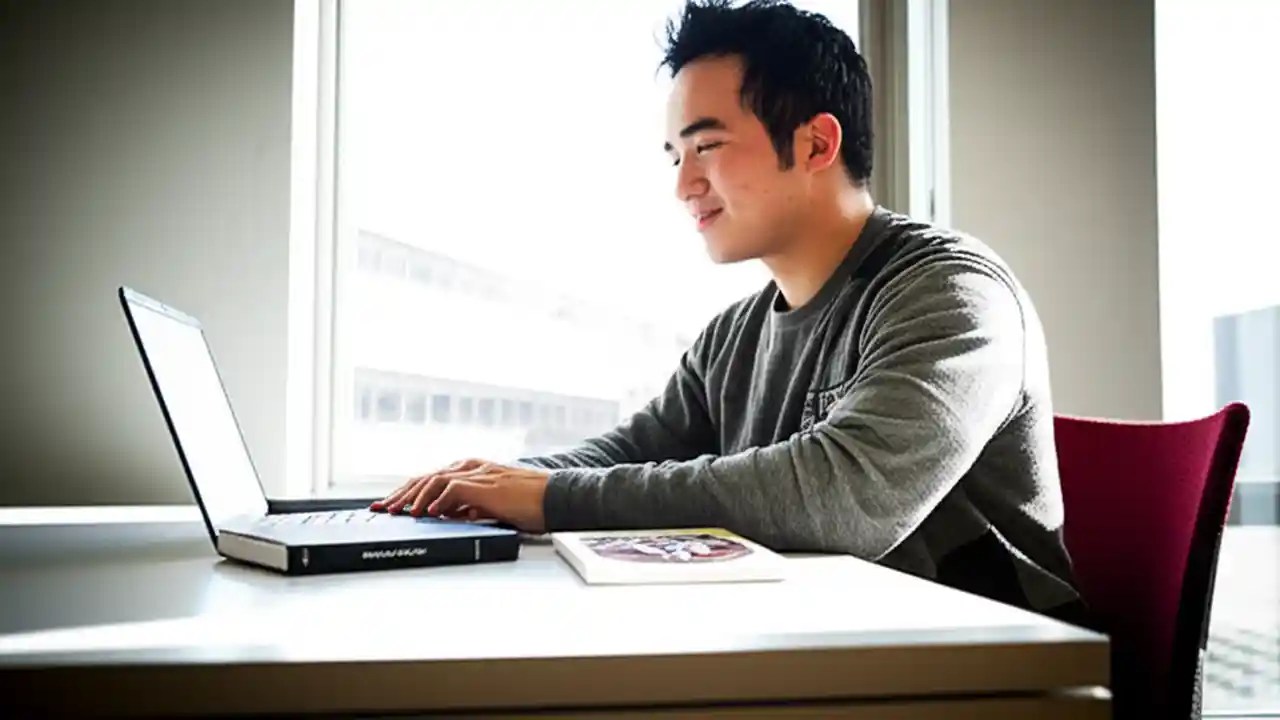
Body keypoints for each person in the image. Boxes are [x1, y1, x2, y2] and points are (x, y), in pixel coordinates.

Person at [372, 0, 1086, 623]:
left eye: (707, 146)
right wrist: (486, 485)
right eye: (674, 154)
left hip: (988, 667)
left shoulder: (950, 293)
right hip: (828, 647)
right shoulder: (734, 336)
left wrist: (551, 496)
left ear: (815, 143)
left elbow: (846, 495)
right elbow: (629, 455)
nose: (684, 184)